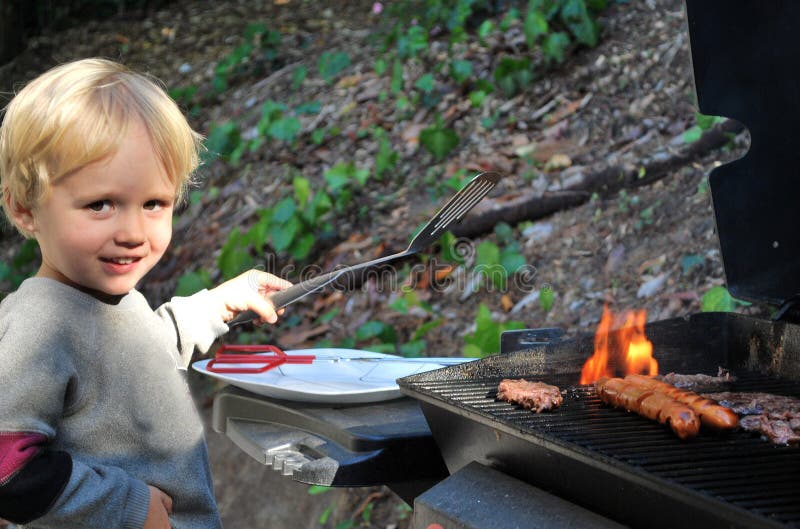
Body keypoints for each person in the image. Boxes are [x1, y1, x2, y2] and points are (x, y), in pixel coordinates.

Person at [0, 58, 291, 529]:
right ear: (25, 208)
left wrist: (216, 304)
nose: (134, 231)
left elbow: (140, 354)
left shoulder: (105, 300)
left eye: (154, 203)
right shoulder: (39, 323)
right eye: (100, 204)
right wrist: (126, 506)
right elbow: (7, 466)